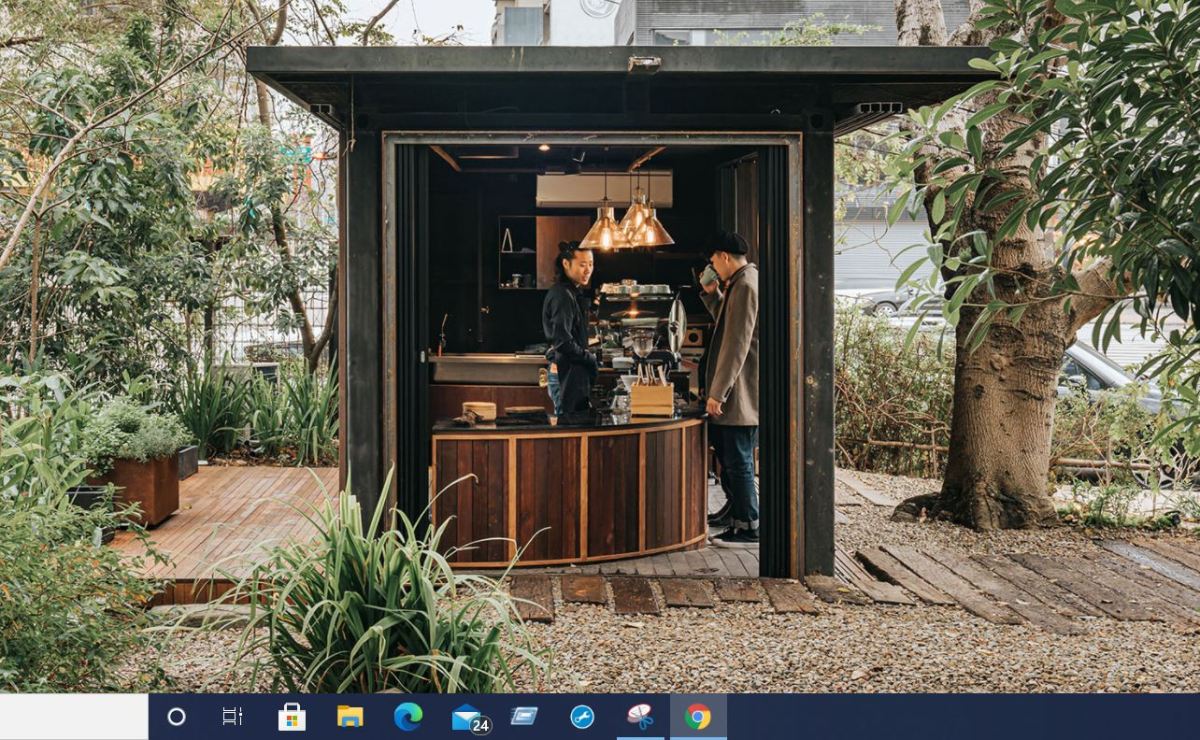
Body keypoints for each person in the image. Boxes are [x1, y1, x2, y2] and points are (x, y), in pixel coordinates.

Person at [700, 230, 759, 545]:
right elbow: (728, 323)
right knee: (729, 455)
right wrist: (711, 293)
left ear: (723, 257)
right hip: (734, 390)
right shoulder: (738, 283)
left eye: (713, 261)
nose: (713, 266)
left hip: (740, 392)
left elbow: (737, 343)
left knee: (738, 460)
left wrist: (717, 392)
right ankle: (735, 512)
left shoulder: (747, 285)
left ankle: (748, 523)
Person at [543, 241, 597, 417]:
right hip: (564, 374)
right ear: (566, 264)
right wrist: (589, 358)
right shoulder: (562, 295)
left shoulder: (572, 292)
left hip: (571, 372)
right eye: (582, 265)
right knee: (567, 428)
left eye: (590, 264)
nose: (588, 270)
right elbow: (563, 341)